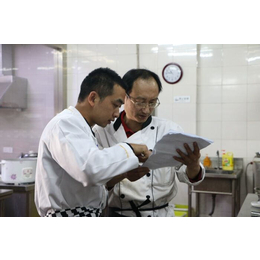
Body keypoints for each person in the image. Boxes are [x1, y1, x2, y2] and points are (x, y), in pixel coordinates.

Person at [34, 68, 150, 217]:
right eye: (115, 105)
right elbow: (89, 170)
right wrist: (129, 148)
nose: (116, 113)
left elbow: (88, 184)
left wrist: (125, 173)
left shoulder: (83, 128)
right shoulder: (65, 124)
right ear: (93, 98)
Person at [93, 68, 205, 217]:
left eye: (152, 102)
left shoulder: (169, 129)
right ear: (124, 96)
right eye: (140, 102)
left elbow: (187, 175)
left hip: (161, 214)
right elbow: (95, 182)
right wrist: (123, 174)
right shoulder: (102, 131)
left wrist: (194, 165)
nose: (146, 110)